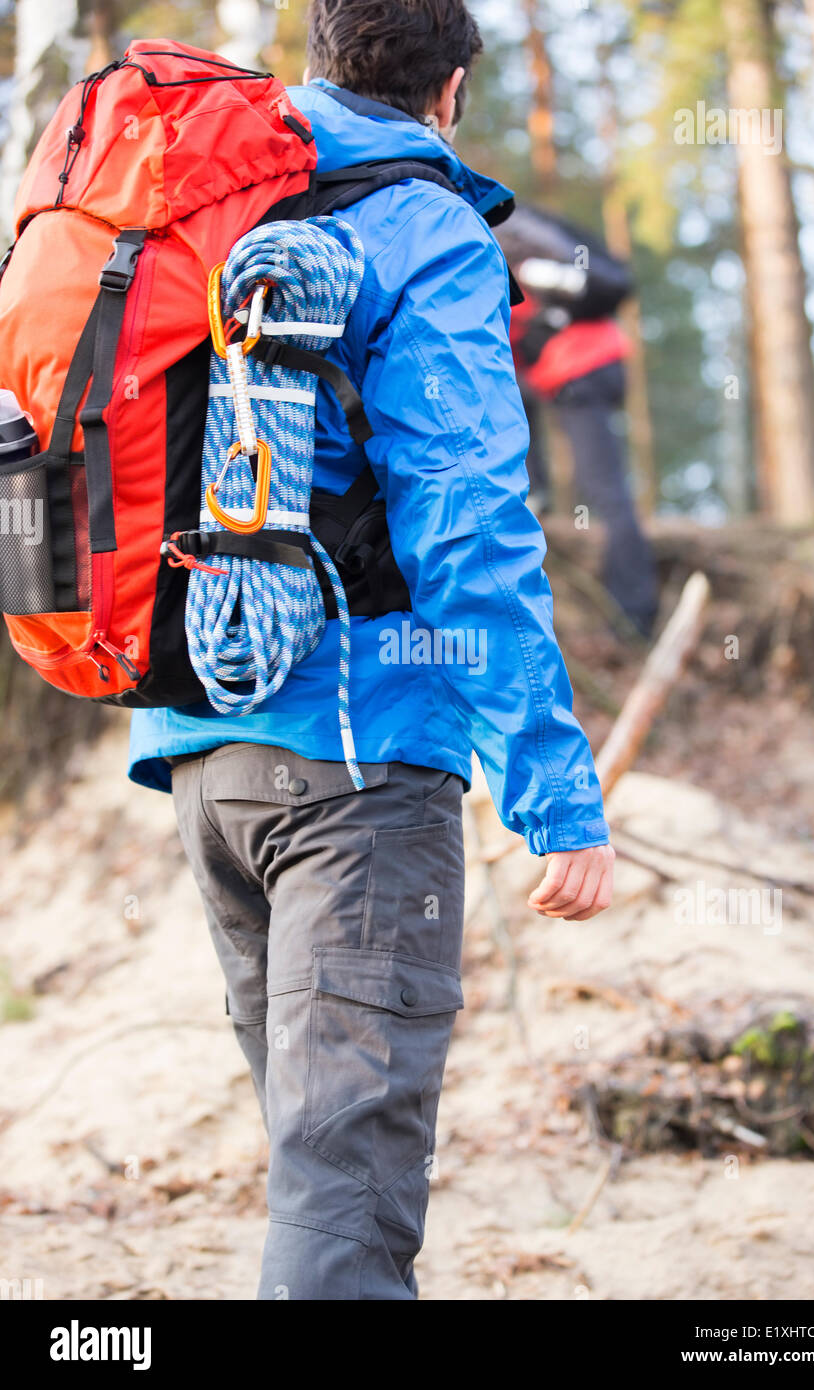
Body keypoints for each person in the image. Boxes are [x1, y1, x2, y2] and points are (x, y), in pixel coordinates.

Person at [128, 0, 614, 1301]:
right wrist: (551, 791)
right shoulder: (424, 223)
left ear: (320, 61)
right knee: (342, 1209)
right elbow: (468, 528)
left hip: (194, 744)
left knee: (316, 1160)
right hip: (354, 766)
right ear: (451, 90)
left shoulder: (212, 192)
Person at [498, 203, 659, 637]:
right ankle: (539, 498)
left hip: (582, 367)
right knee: (599, 481)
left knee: (604, 488)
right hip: (584, 366)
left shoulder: (516, 258)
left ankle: (635, 612)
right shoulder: (514, 262)